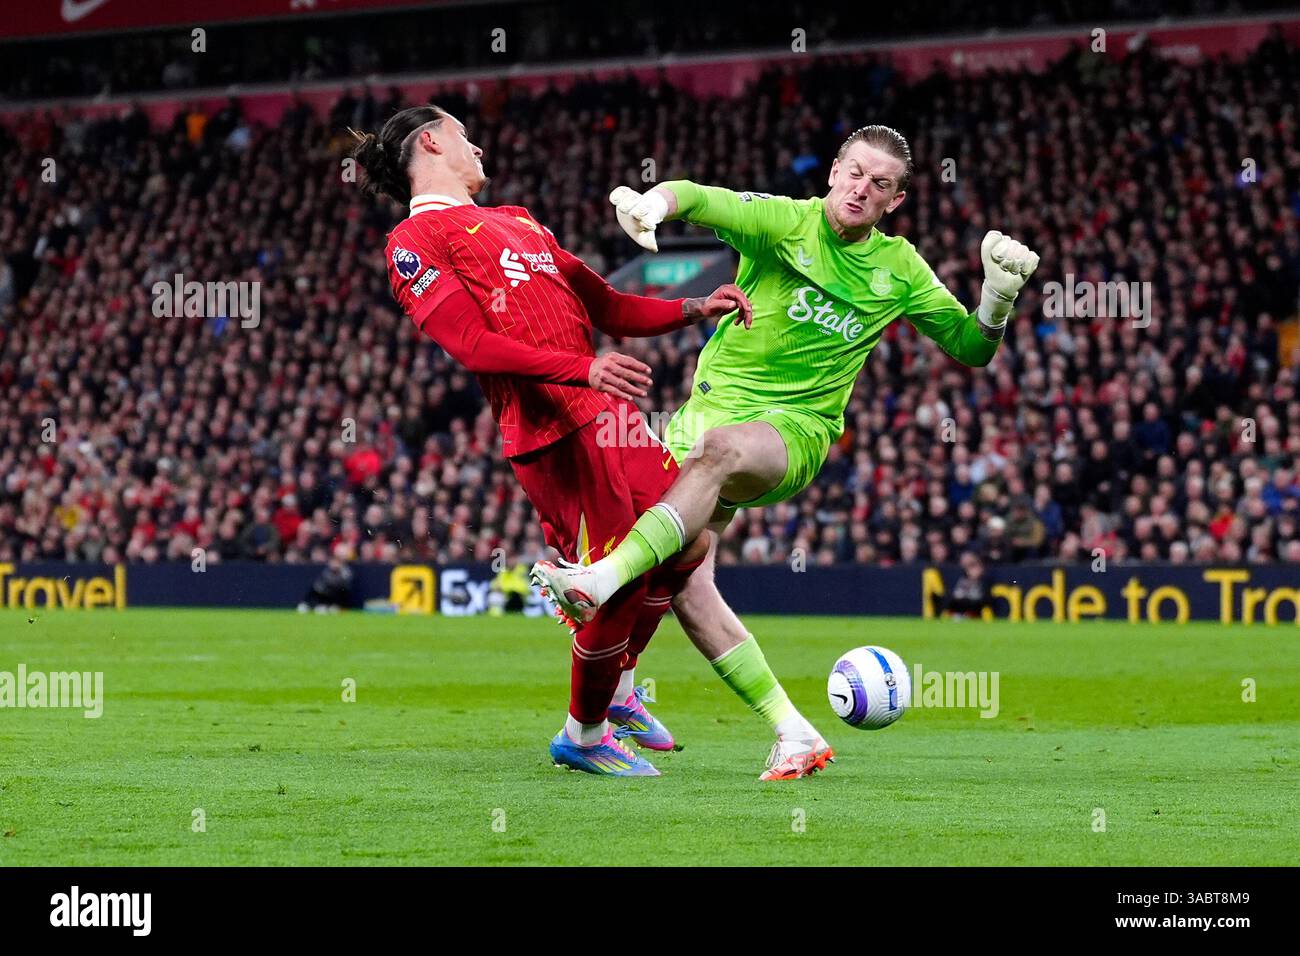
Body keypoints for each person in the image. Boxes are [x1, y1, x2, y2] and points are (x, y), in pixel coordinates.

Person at [534, 125, 1040, 772]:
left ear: (895, 201)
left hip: (791, 435)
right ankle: (789, 729)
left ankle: (596, 582)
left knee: (716, 455)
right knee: (686, 579)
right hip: (701, 418)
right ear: (834, 171)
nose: (862, 188)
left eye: (880, 184)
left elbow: (972, 348)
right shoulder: (781, 223)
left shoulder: (900, 269)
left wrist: (996, 299)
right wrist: (652, 205)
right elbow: (698, 196)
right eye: (855, 172)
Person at [351, 104, 751, 776]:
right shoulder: (411, 244)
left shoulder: (519, 220)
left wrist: (691, 307)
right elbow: (475, 347)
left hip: (605, 406)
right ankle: (584, 733)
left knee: (688, 541)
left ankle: (619, 691)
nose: (475, 145)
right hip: (553, 427)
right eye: (463, 134)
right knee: (613, 584)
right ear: (430, 141)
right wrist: (584, 367)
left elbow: (608, 305)